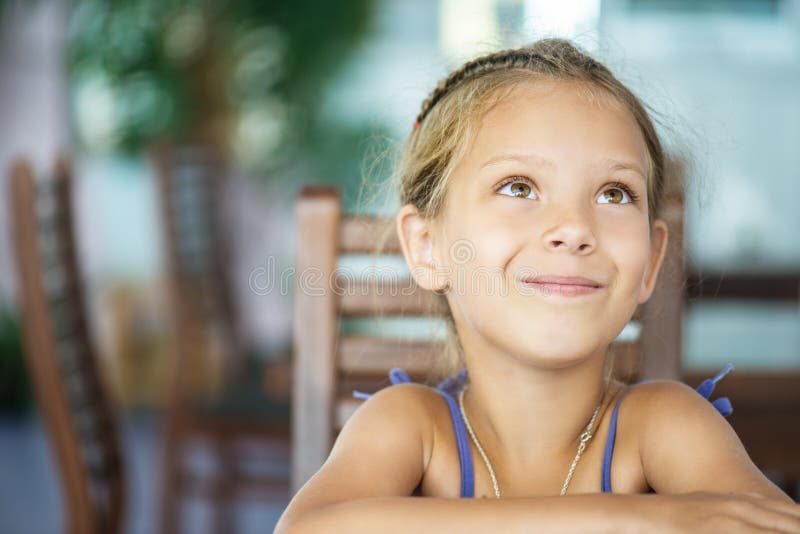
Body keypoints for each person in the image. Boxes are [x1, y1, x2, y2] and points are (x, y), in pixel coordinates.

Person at [275, 38, 800, 533]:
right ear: (427, 246)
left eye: (615, 194)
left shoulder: (666, 424)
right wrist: (627, 519)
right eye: (519, 186)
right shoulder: (412, 426)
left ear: (651, 261)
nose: (573, 228)